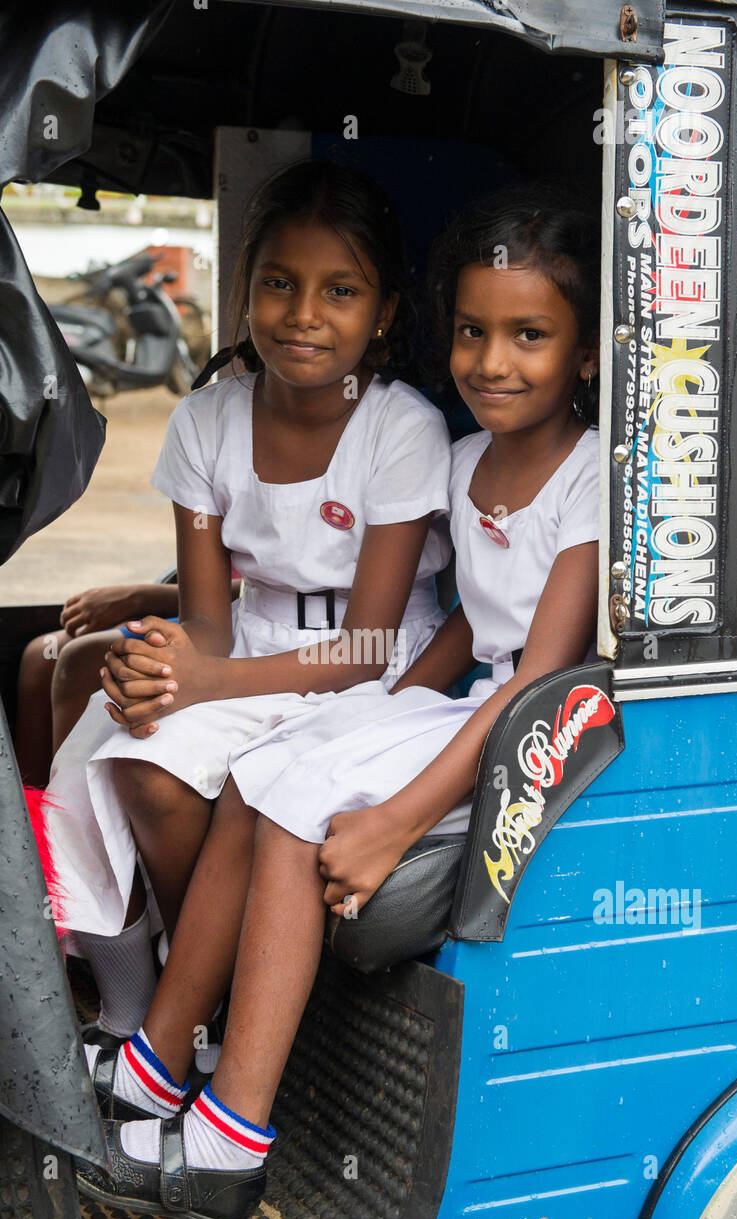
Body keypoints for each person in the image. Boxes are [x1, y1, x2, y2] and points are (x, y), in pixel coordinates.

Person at [75, 181, 602, 1219]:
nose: (493, 363)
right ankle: (156, 1056)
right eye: (475, 334)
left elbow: (537, 683)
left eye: (531, 337)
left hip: (528, 730)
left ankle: (231, 1140)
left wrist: (395, 817)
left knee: (300, 802)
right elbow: (460, 627)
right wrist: (377, 707)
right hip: (460, 702)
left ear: (586, 357)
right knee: (275, 764)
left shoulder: (591, 479)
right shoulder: (464, 463)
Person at [41, 158, 453, 1046]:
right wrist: (159, 668)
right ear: (246, 291)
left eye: (339, 290)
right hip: (245, 651)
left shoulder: (401, 428)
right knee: (114, 748)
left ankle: (210, 997)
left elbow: (368, 647)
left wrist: (200, 680)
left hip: (367, 678)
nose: (303, 313)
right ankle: (130, 1002)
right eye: (278, 283)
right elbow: (209, 622)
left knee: (169, 760)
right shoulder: (205, 421)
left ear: (382, 314)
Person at [15, 583, 179, 788]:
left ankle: (65, 801)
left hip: (222, 614)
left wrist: (139, 598)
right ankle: (26, 804)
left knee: (81, 657)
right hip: (188, 601)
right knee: (42, 654)